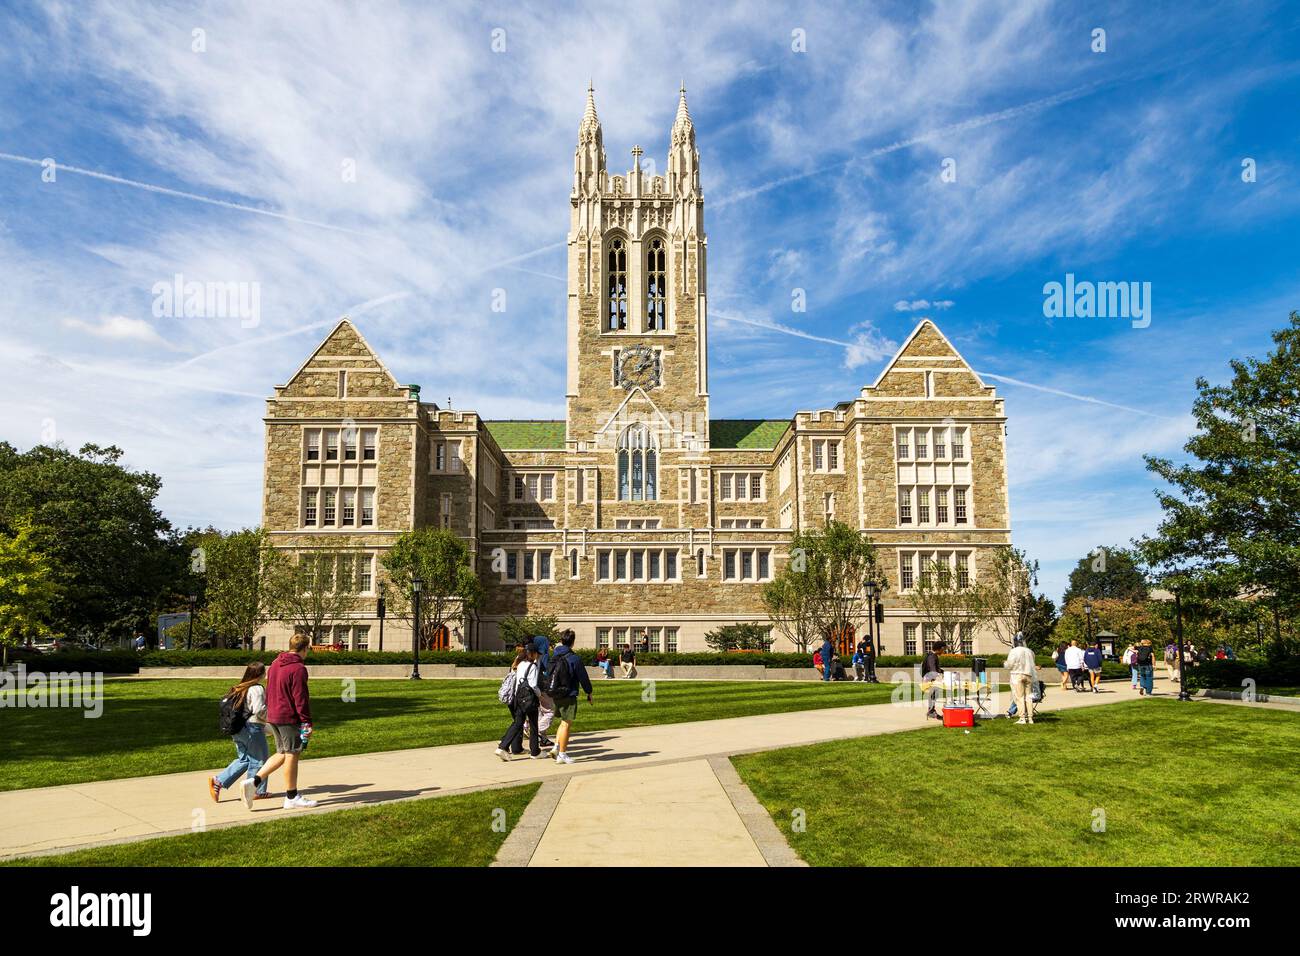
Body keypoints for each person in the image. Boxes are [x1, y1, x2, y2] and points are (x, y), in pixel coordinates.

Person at [241, 634, 317, 810]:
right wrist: (306, 722)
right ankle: (291, 797)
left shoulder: (275, 663)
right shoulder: (298, 668)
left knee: (282, 753)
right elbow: (301, 698)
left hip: (273, 715)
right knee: (292, 754)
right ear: (305, 649)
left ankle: (253, 782)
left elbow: (271, 689)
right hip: (288, 717)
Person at [209, 662, 272, 802]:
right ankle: (255, 791)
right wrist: (272, 719)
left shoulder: (239, 688)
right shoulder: (257, 688)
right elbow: (259, 710)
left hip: (238, 729)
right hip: (252, 728)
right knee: (260, 760)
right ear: (260, 674)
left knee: (245, 760)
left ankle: (218, 781)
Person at [547, 629, 593, 765]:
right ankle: (562, 753)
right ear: (573, 642)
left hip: (556, 693)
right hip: (569, 693)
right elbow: (583, 678)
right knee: (567, 723)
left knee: (562, 722)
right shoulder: (574, 658)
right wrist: (589, 692)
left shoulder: (554, 656)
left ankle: (556, 746)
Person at [496, 644, 542, 760]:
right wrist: (539, 695)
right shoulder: (532, 666)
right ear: (533, 653)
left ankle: (503, 746)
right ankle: (535, 751)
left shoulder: (520, 664)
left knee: (518, 723)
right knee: (533, 724)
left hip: (519, 697)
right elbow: (533, 685)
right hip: (529, 698)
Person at [1006, 635, 1037, 724]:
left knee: (1019, 697)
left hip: (1017, 675)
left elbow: (1010, 664)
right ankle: (1030, 718)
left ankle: (1022, 718)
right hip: (1028, 674)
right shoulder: (1030, 651)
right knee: (1029, 697)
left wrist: (1005, 664)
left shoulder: (1013, 651)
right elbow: (1033, 663)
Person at [921, 641, 945, 719]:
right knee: (933, 695)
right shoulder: (932, 656)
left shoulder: (932, 655)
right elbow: (932, 668)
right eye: (943, 649)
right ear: (940, 648)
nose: (943, 651)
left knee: (934, 695)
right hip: (929, 678)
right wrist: (937, 676)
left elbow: (934, 668)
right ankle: (931, 711)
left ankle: (931, 710)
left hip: (930, 677)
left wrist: (942, 671)